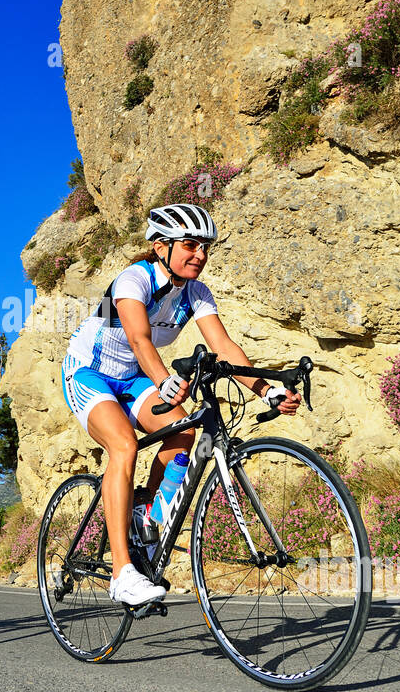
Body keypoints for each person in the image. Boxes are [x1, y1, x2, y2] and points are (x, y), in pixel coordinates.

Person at [61, 203, 302, 605]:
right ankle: (122, 573)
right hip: (88, 371)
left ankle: (146, 515)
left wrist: (265, 390)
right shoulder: (134, 279)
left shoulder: (196, 292)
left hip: (133, 378)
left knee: (185, 432)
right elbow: (139, 339)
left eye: (205, 247)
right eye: (190, 244)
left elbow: (224, 345)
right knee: (124, 445)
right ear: (160, 247)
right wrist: (164, 380)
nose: (200, 255)